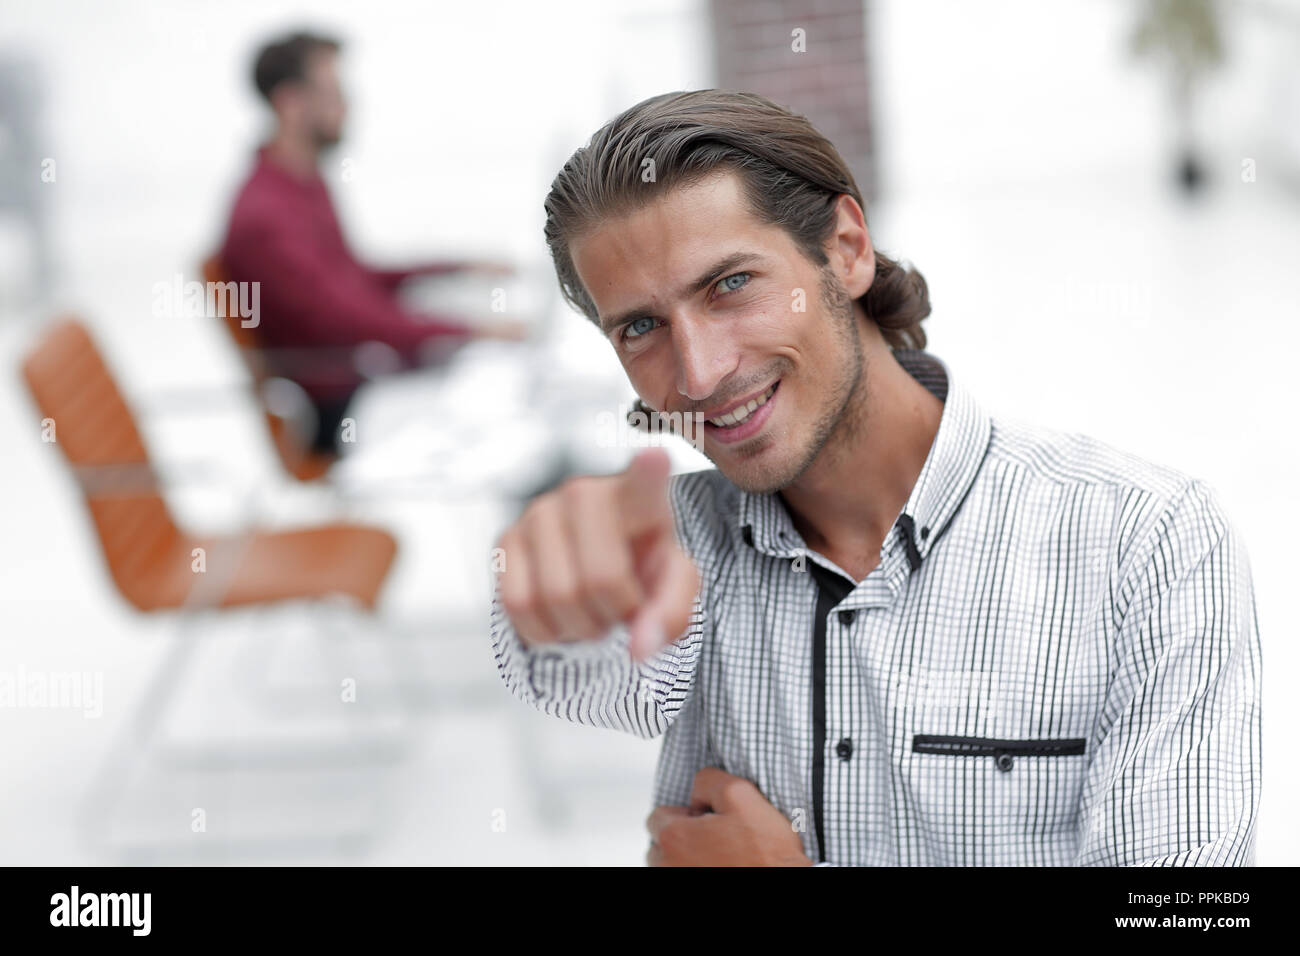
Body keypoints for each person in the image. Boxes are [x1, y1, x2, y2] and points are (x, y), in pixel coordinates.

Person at [487, 90, 1262, 866]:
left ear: (847, 249)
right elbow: (576, 670)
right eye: (641, 327)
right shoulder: (682, 545)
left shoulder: (1145, 542)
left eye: (730, 285)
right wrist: (544, 581)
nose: (699, 372)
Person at [219, 31, 525, 454]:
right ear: (290, 103)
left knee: (502, 380)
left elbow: (352, 280)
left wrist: (458, 269)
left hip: (366, 379)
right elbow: (343, 317)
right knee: (505, 418)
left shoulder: (299, 183)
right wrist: (469, 330)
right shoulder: (265, 214)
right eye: (333, 91)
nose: (346, 105)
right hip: (342, 409)